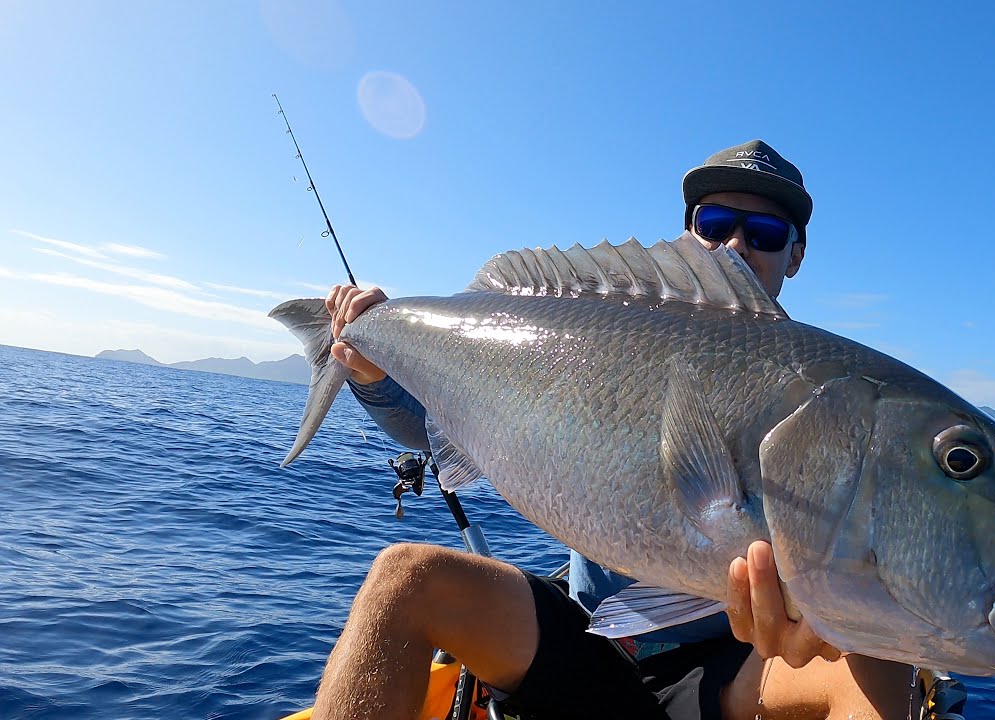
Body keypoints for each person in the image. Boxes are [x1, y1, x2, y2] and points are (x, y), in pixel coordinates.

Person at [312, 141, 937, 720]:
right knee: (403, 579)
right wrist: (368, 372)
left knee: (885, 666)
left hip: (733, 669)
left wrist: (837, 620)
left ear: (795, 254)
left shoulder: (828, 395)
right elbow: (430, 429)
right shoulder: (602, 335)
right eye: (715, 226)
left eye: (766, 232)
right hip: (582, 633)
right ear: (689, 232)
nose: (736, 246)